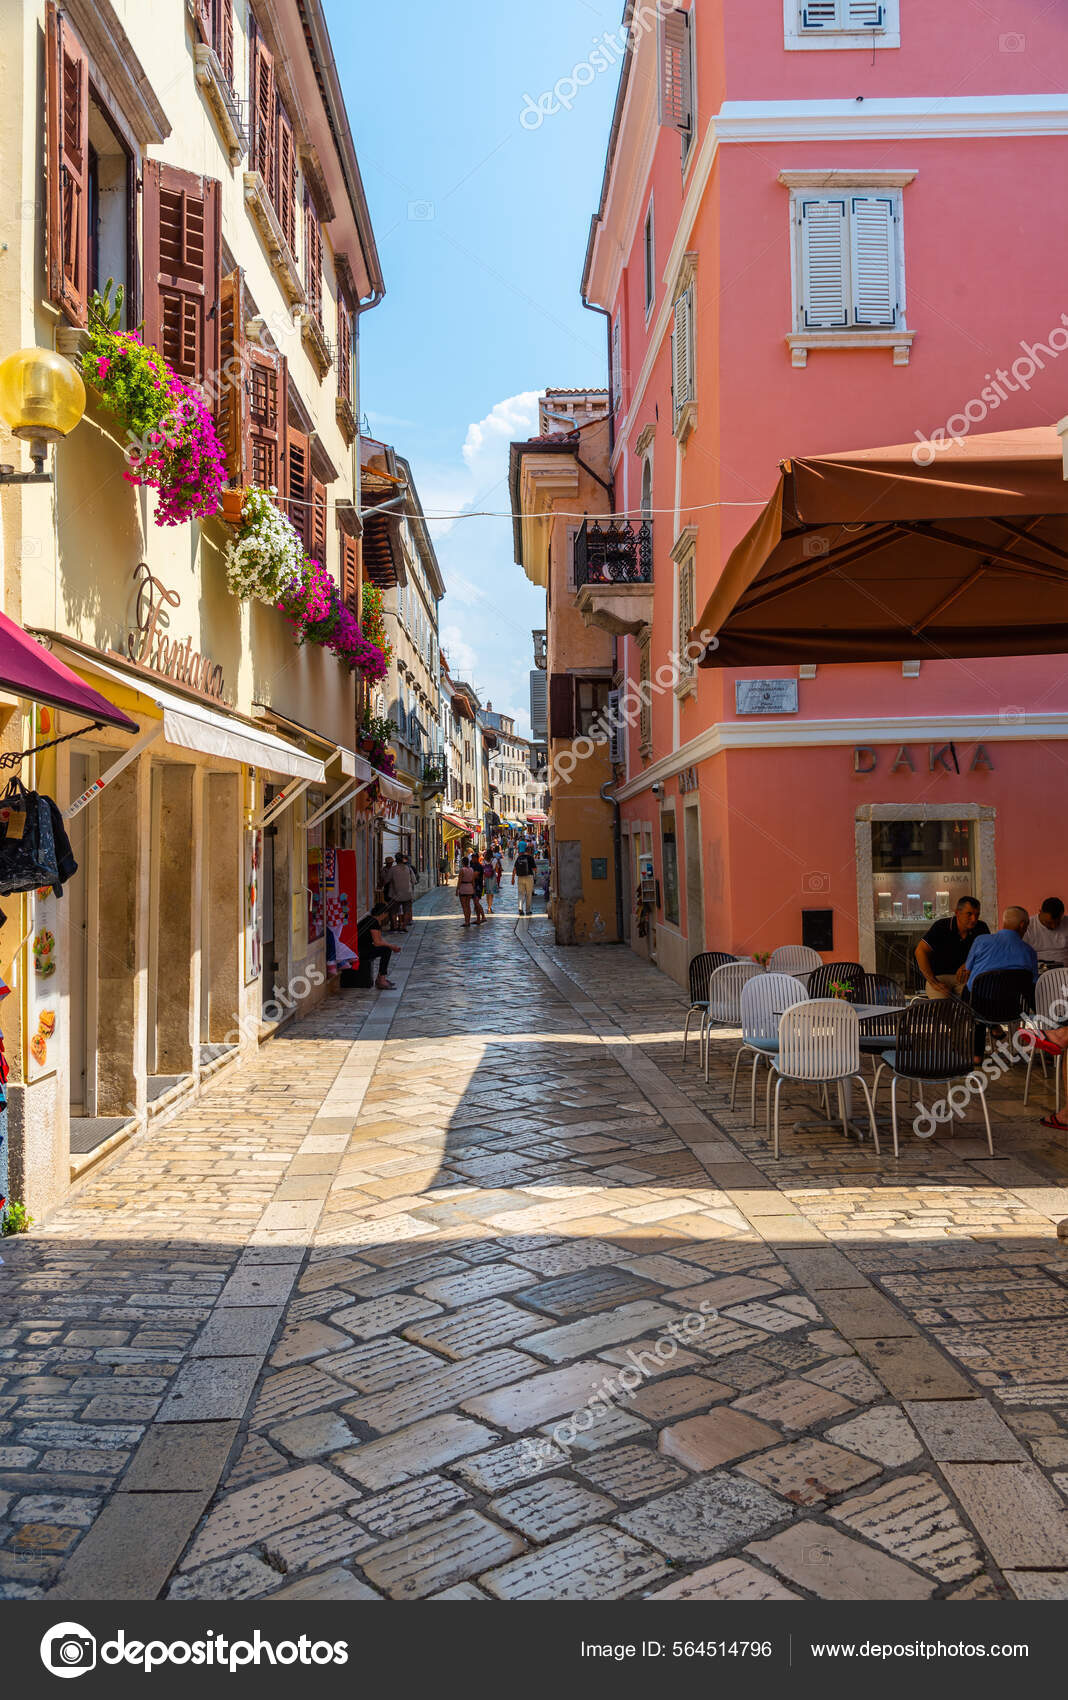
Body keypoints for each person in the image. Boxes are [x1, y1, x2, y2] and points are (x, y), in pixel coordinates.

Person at [915, 895, 988, 998]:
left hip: (967, 979)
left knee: (977, 1001)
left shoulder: (981, 927)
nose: (974, 919)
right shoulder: (941, 926)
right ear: (957, 913)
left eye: (977, 915)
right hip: (940, 977)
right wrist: (933, 981)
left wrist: (968, 964)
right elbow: (920, 951)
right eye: (969, 914)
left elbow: (987, 954)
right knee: (942, 1006)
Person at [960, 905, 1039, 987]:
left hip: (977, 997)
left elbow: (967, 969)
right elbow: (1033, 981)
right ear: (1022, 925)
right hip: (1010, 999)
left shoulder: (981, 940)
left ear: (1005, 921)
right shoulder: (1030, 952)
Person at [356, 901, 401, 989]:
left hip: (361, 948)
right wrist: (391, 946)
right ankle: (381, 980)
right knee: (386, 951)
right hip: (361, 951)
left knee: (386, 949)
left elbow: (379, 940)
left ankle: (380, 978)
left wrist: (390, 945)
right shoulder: (373, 922)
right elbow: (377, 943)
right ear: (383, 914)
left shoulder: (370, 919)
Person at [1025, 897, 1068, 969]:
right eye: (1048, 922)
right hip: (1037, 973)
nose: (1053, 926)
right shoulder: (1028, 926)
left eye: (1058, 922)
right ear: (1040, 912)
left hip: (1064, 974)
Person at [383, 852, 416, 931]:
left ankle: (394, 926)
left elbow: (386, 880)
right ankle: (404, 926)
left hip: (395, 894)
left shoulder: (392, 869)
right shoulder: (408, 868)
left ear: (396, 861)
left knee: (393, 911)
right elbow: (414, 881)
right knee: (406, 911)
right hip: (407, 893)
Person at [513, 845, 536, 915]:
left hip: (520, 877)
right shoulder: (531, 858)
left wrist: (512, 878)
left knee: (520, 893)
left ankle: (520, 907)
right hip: (529, 877)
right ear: (530, 851)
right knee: (528, 894)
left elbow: (514, 869)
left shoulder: (519, 857)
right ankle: (528, 910)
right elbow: (535, 869)